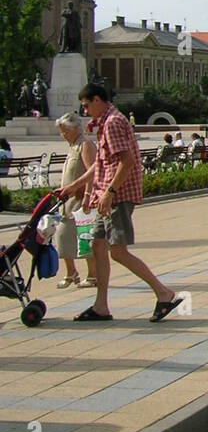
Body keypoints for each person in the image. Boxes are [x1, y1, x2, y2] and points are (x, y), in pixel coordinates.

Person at [57, 82, 182, 323]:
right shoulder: (106, 121)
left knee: (118, 252)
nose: (85, 111)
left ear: (97, 100)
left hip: (118, 195)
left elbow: (127, 161)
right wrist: (75, 185)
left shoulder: (113, 122)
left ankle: (164, 293)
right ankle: (101, 306)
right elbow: (101, 163)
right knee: (98, 246)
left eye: (86, 106)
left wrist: (110, 192)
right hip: (108, 194)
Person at [53, 112, 97, 288]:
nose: (63, 135)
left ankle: (93, 275)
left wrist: (87, 196)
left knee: (84, 239)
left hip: (80, 202)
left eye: (65, 131)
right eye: (61, 131)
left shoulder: (85, 145)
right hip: (67, 202)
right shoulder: (73, 145)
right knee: (63, 237)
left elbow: (91, 173)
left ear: (75, 128)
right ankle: (71, 273)